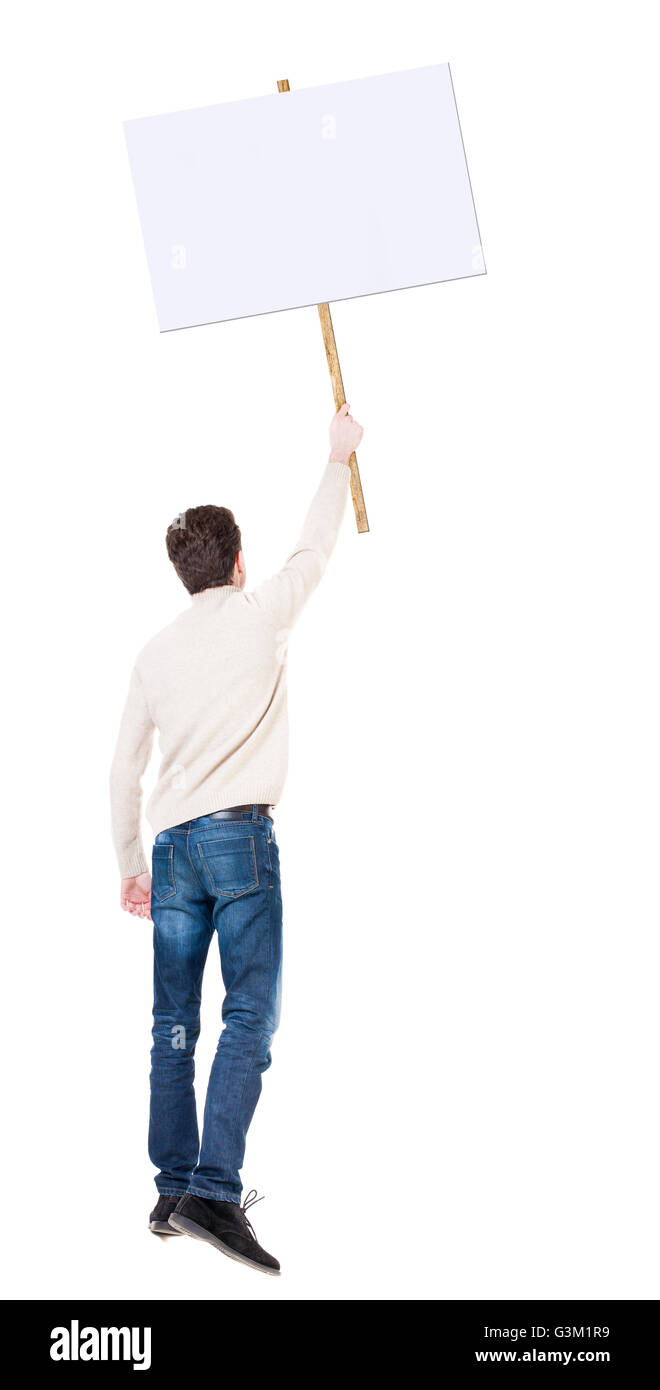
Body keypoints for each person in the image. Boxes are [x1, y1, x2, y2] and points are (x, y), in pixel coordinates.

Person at [110, 404, 363, 1274]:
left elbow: (122, 771)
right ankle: (214, 1191)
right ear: (238, 560)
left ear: (184, 572)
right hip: (241, 846)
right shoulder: (262, 617)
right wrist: (338, 458)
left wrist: (129, 865)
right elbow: (316, 552)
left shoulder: (154, 653)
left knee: (172, 1025)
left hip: (174, 851)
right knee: (249, 1016)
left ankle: (172, 1188)